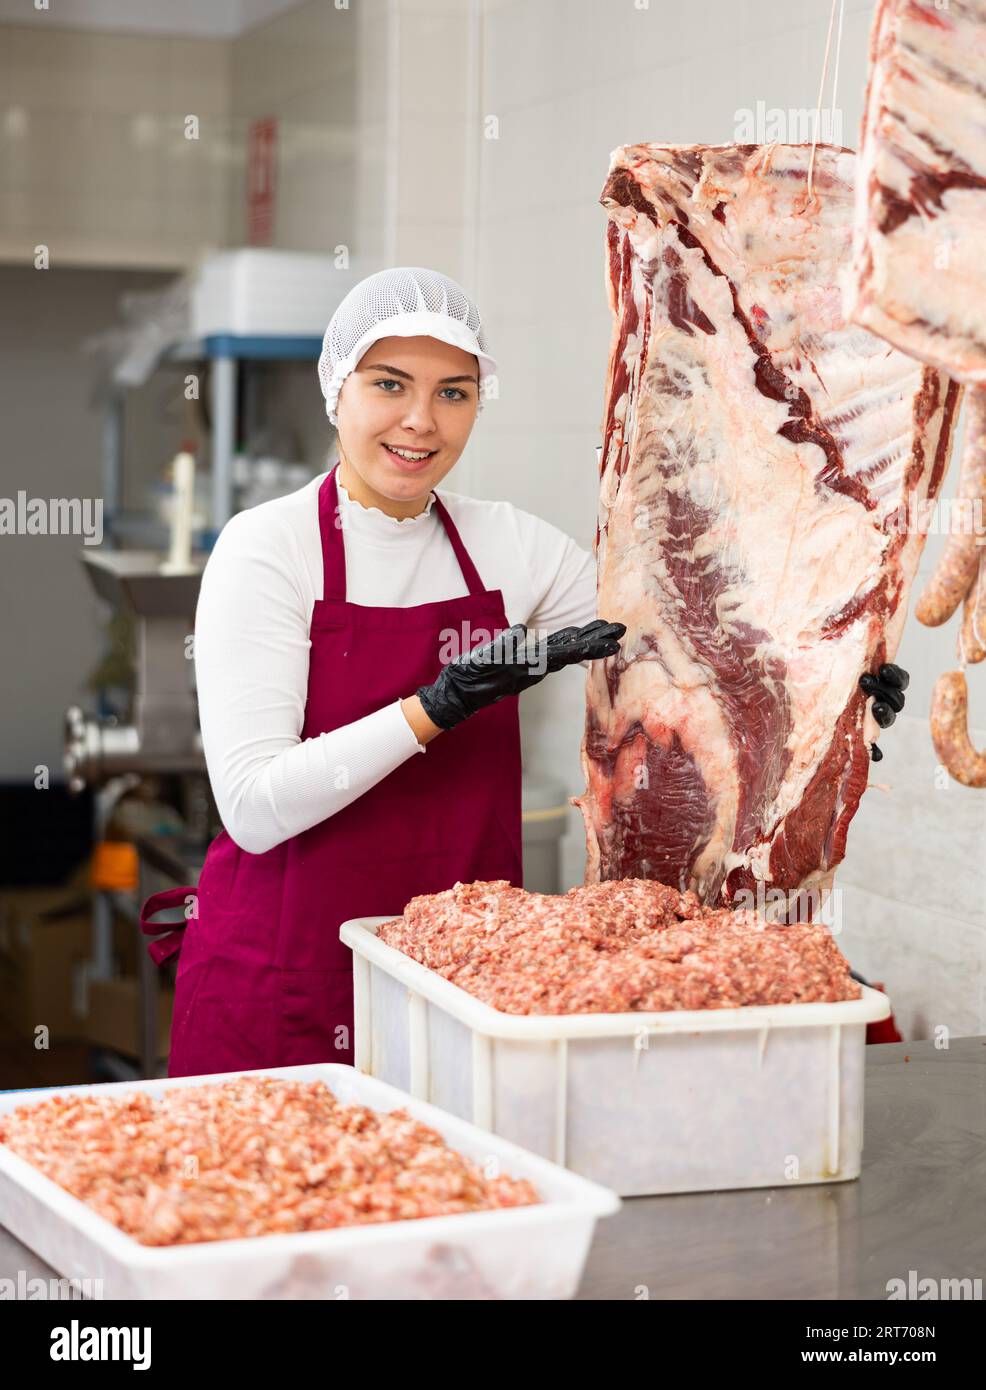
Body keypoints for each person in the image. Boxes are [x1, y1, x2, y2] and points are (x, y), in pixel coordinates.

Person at [140, 266, 908, 1075]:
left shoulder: (509, 546)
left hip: (463, 982)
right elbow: (256, 807)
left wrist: (827, 703)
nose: (420, 421)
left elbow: (683, 653)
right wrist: (434, 706)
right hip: (283, 980)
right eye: (389, 384)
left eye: (454, 393)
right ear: (337, 387)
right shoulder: (268, 550)